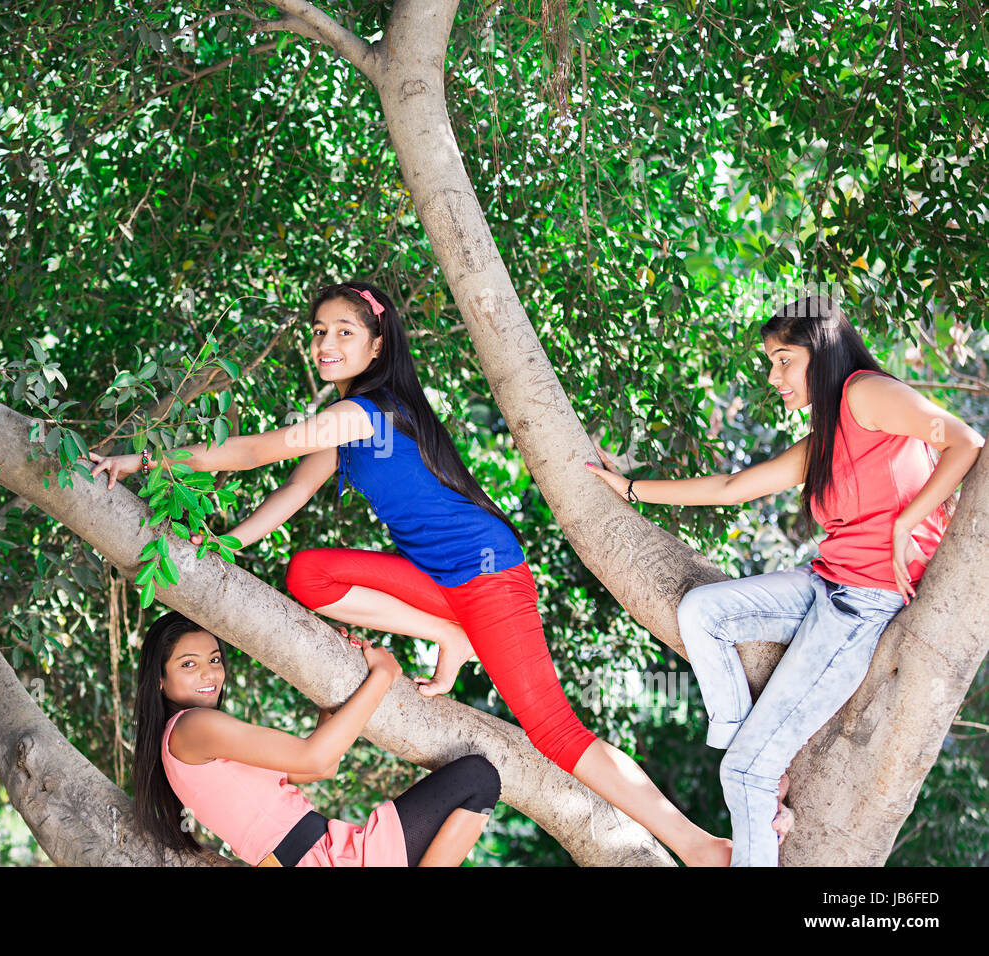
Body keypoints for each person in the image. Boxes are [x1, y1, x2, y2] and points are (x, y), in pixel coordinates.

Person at [95, 281, 731, 866]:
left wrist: (141, 459)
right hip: (445, 584)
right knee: (310, 574)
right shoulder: (346, 420)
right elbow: (292, 487)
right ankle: (450, 636)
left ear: (377, 344)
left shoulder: (363, 412)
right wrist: (228, 541)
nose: (326, 343)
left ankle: (695, 844)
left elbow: (253, 451)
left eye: (344, 331)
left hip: (487, 575)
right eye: (319, 330)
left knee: (555, 732)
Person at [586, 294, 984, 866]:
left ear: (819, 353)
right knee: (702, 612)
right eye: (771, 362)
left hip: (863, 608)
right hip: (824, 584)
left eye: (783, 360)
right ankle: (757, 757)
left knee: (743, 772)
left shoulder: (865, 393)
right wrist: (629, 489)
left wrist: (909, 522)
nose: (774, 375)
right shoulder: (826, 435)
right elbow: (730, 488)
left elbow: (964, 441)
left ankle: (759, 772)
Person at [132, 610, 500, 866]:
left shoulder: (192, 742)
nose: (209, 674)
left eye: (214, 660)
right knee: (477, 779)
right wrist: (383, 675)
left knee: (476, 784)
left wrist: (330, 692)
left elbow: (320, 768)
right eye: (188, 664)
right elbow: (315, 758)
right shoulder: (193, 726)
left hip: (317, 853)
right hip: (318, 855)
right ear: (159, 680)